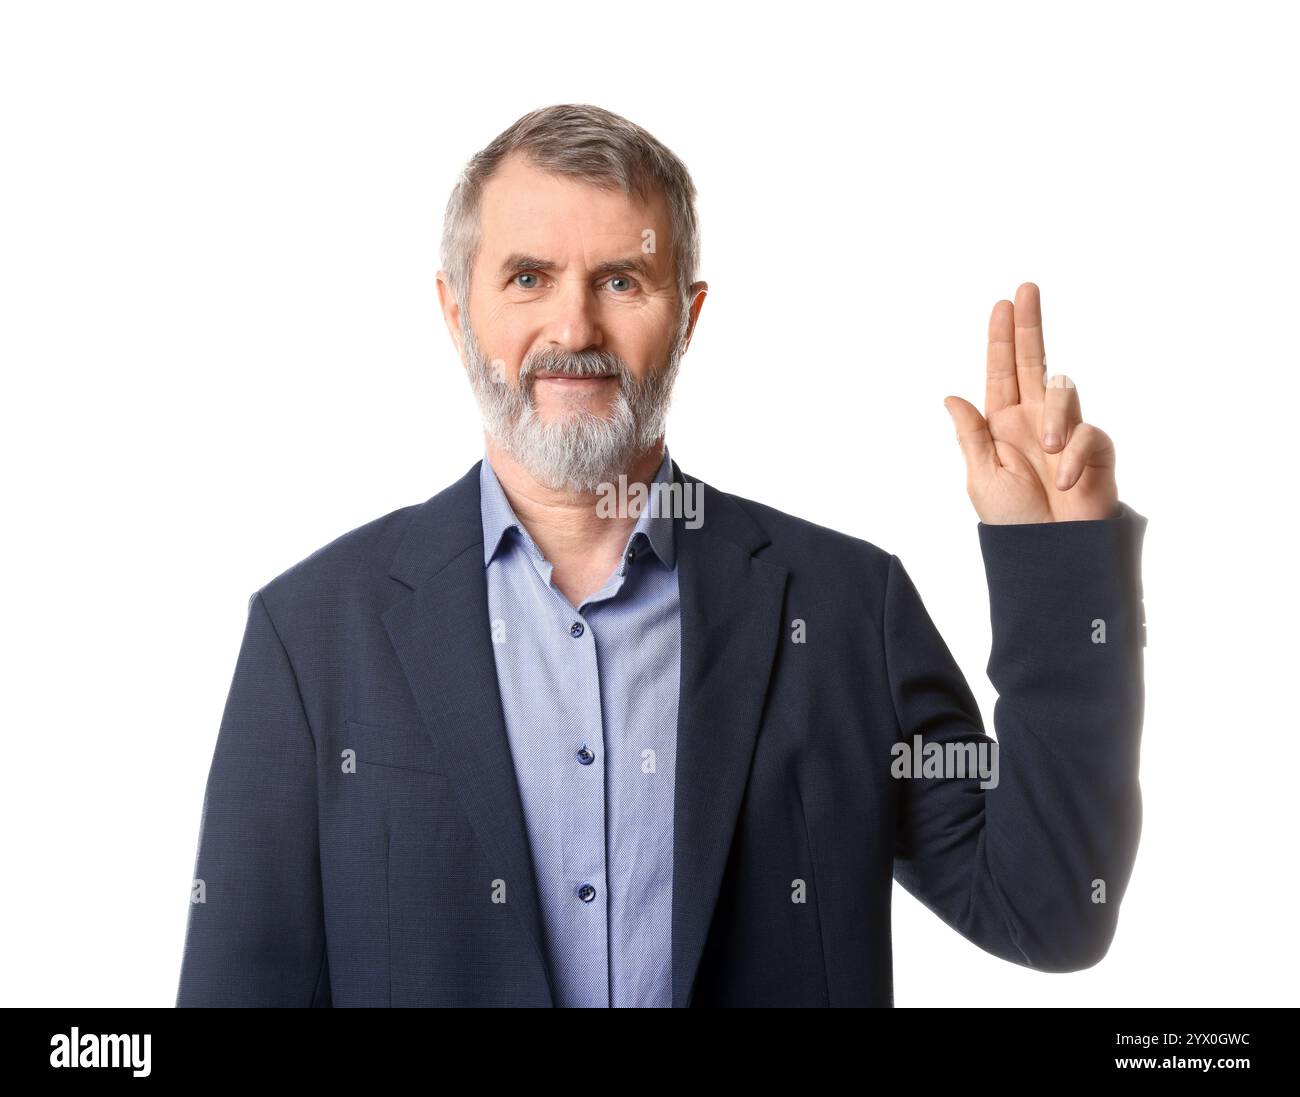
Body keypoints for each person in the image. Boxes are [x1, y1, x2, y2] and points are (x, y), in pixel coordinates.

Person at [177, 103, 1147, 1007]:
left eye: (620, 280)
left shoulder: (847, 607)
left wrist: (1055, 567)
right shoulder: (311, 633)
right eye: (527, 276)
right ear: (454, 308)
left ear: (684, 315)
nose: (573, 329)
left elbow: (1050, 909)